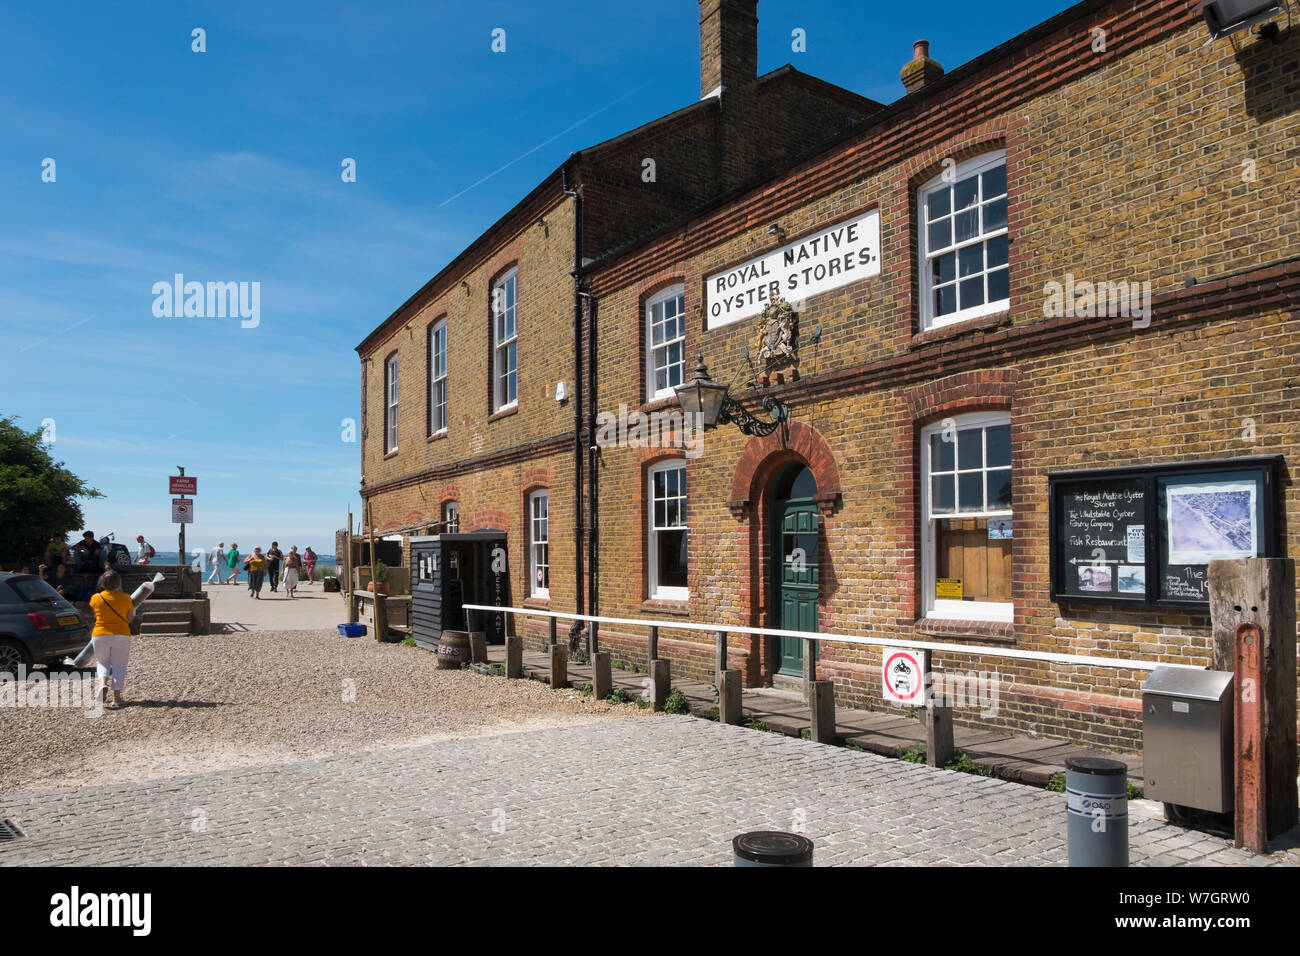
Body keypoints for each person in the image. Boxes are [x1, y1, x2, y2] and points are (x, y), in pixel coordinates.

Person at [88, 569, 134, 709]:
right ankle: (117, 698)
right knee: (119, 665)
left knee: (102, 662)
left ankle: (102, 685)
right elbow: (130, 618)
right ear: (118, 583)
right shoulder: (126, 598)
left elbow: (95, 616)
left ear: (103, 583)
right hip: (121, 634)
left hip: (100, 633)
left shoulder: (96, 598)